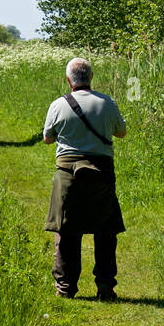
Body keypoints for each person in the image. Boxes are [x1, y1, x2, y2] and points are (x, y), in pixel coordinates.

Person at [42, 57, 126, 301]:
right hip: (101, 173)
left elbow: (48, 138)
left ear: (68, 80)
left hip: (67, 174)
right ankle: (105, 288)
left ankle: (66, 288)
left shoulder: (58, 105)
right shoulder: (108, 103)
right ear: (91, 78)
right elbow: (121, 132)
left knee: (66, 231)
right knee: (106, 232)